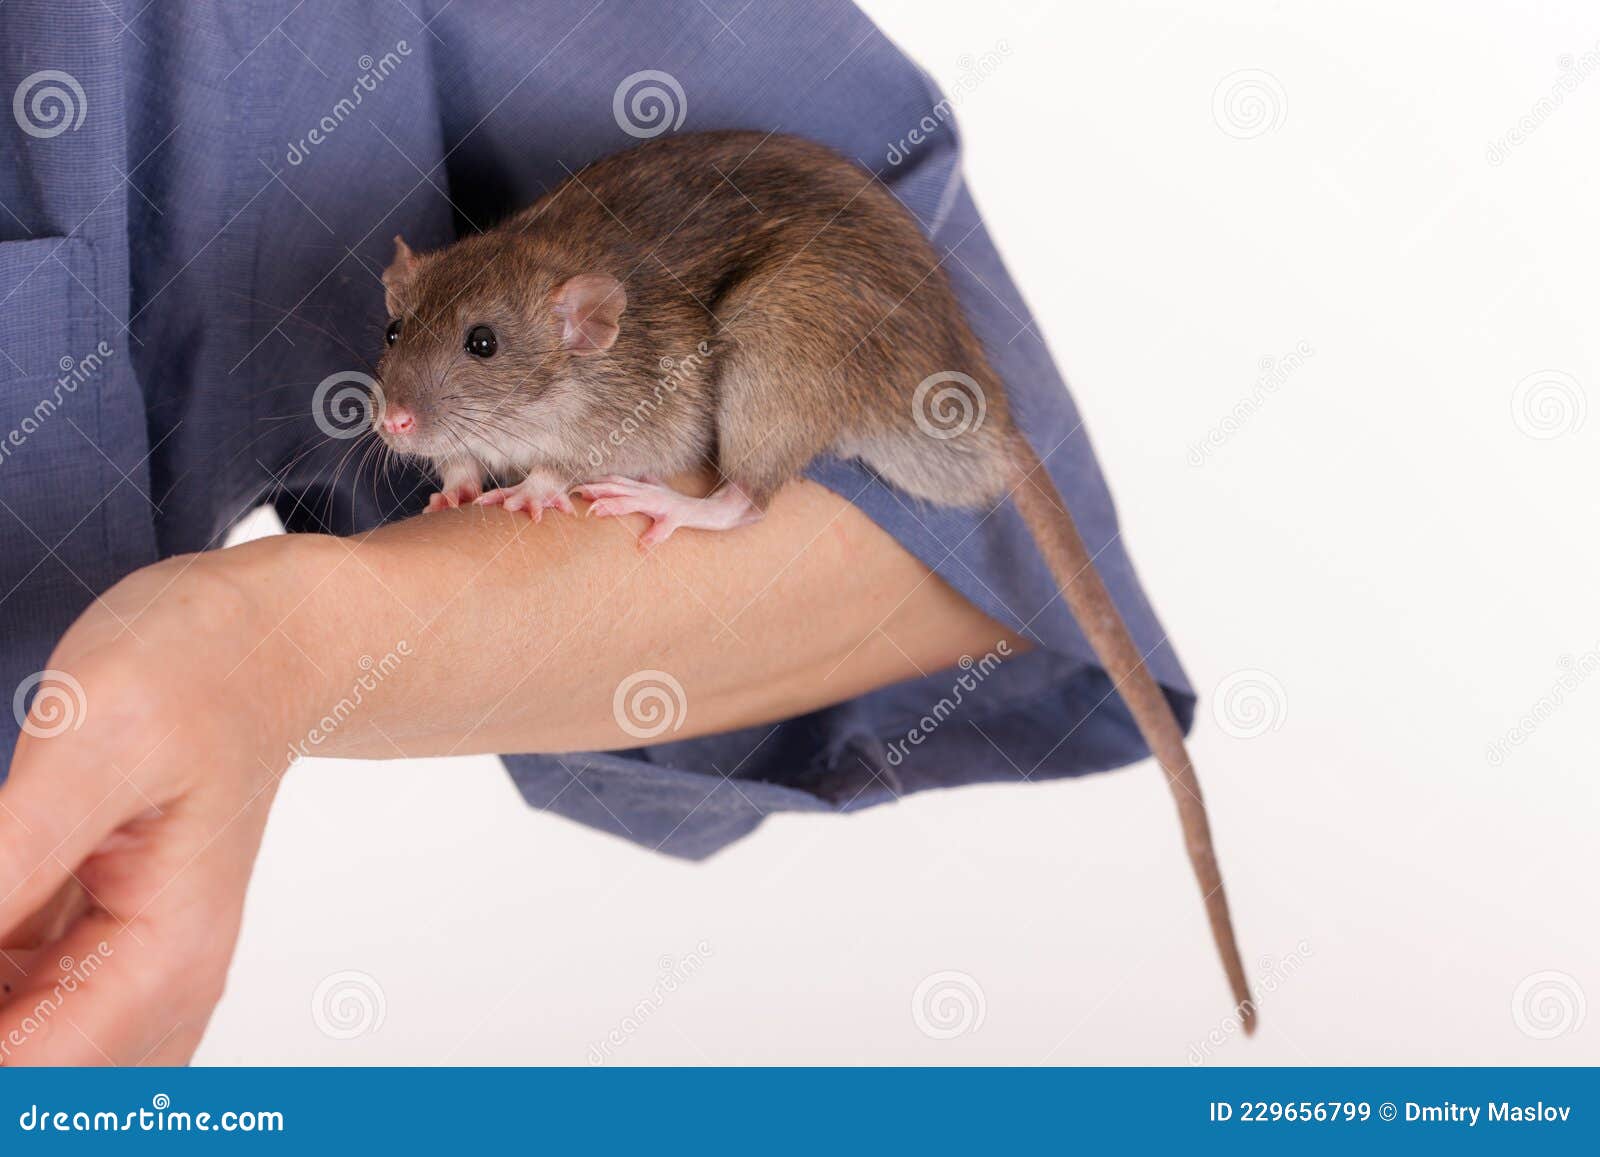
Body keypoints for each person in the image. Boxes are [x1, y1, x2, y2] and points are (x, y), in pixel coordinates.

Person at [0, 0, 1192, 1063]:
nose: (393, 408)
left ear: (584, 324)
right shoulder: (503, 343)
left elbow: (927, 545)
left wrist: (264, 652)